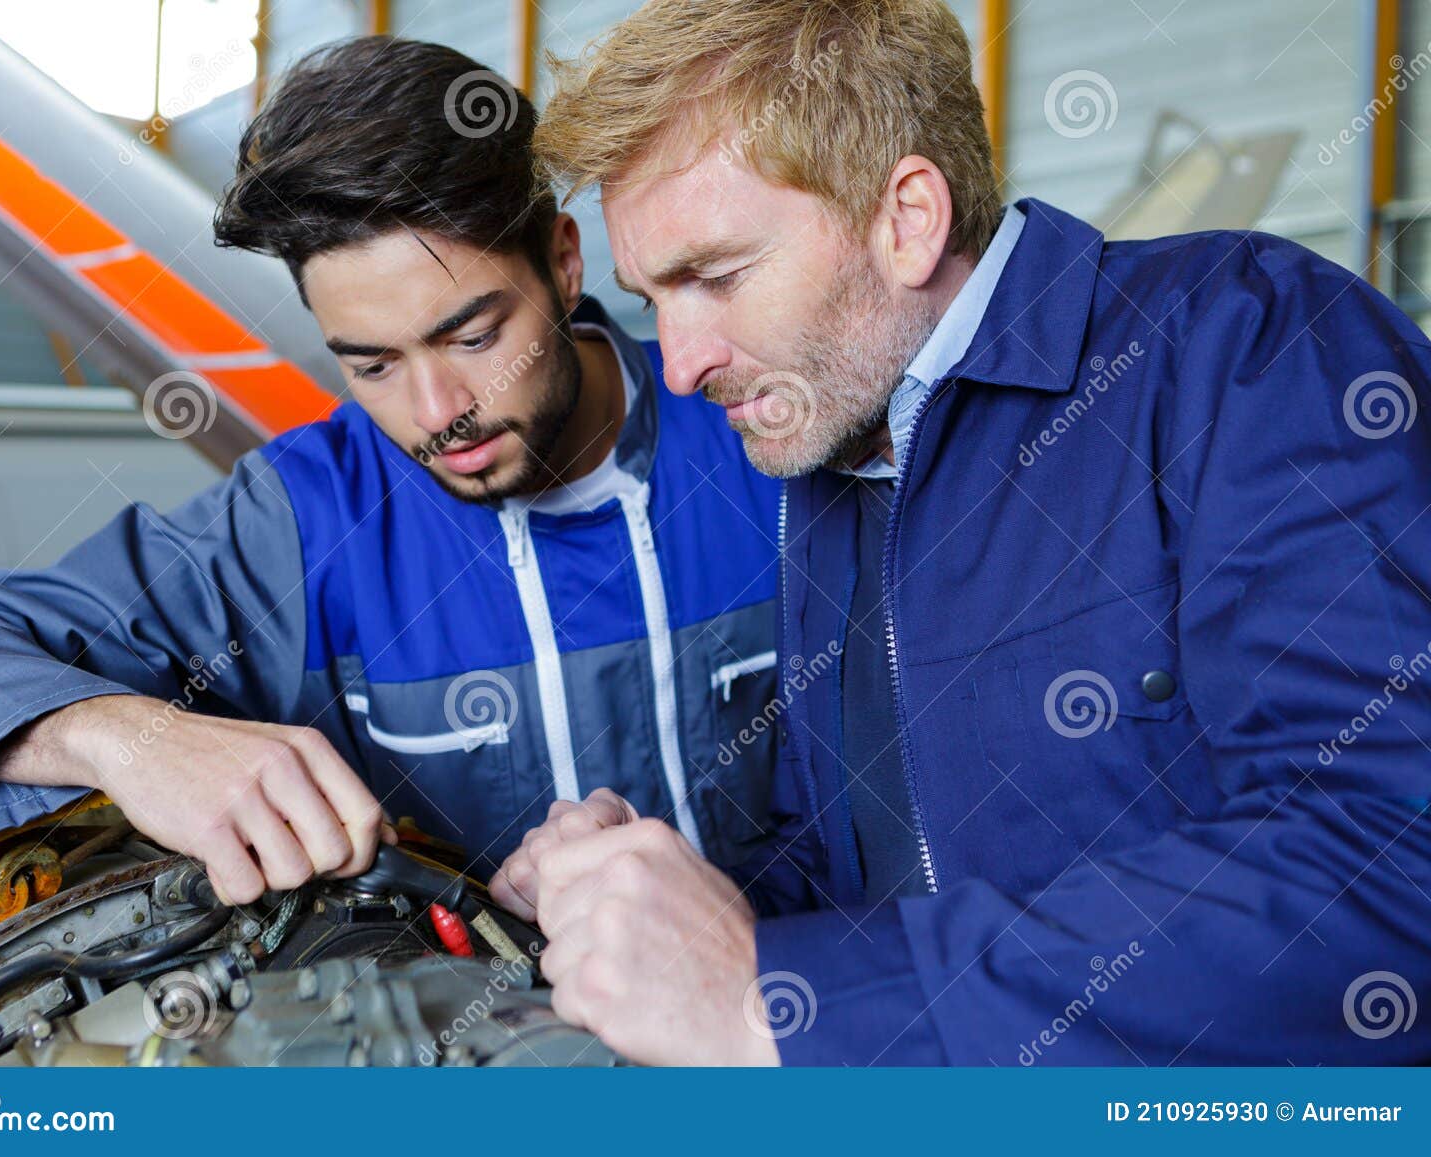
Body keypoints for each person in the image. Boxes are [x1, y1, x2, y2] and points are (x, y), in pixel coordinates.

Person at [491, 0, 1431, 1066]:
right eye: (651, 297)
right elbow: (865, 866)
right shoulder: (840, 460)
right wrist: (651, 902)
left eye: (714, 277)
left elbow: (1389, 861)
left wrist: (793, 1002)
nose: (678, 364)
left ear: (907, 218)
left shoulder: (1249, 343)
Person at [0, 36, 782, 904]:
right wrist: (133, 738)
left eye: (476, 335)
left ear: (564, 265)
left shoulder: (763, 435)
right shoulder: (304, 520)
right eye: (372, 364)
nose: (436, 411)